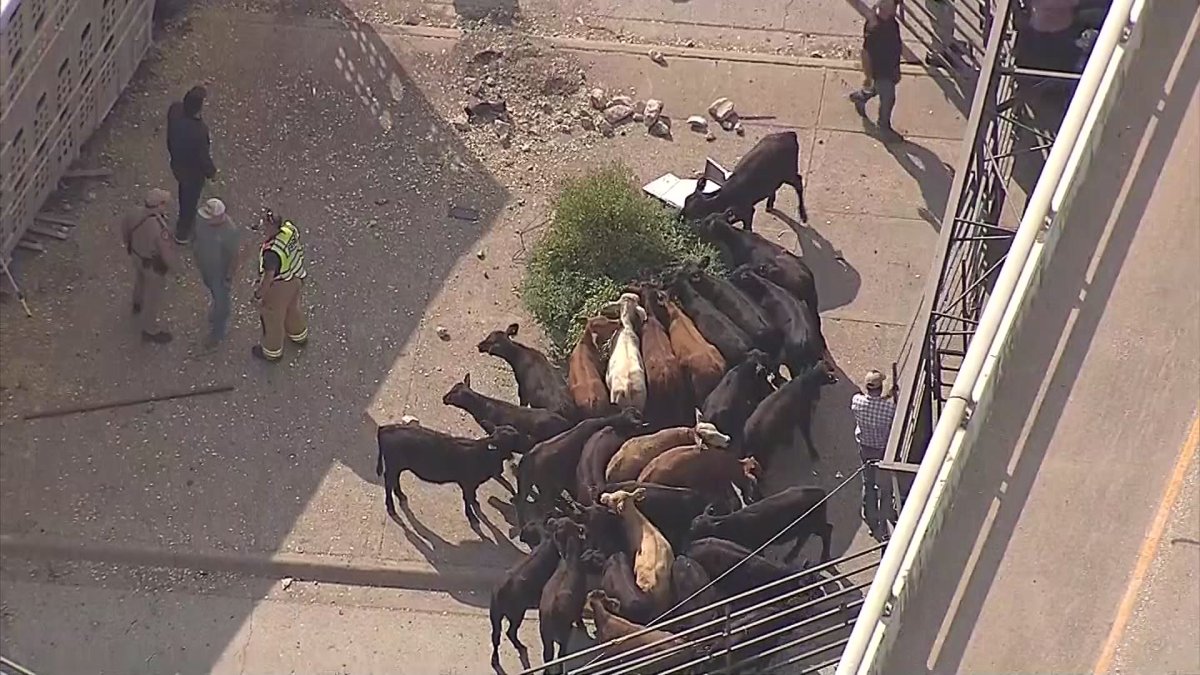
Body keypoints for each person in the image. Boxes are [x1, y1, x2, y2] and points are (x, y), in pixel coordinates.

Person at [120, 188, 179, 344]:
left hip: (136, 256)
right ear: (159, 205)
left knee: (139, 279)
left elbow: (125, 231)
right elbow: (166, 252)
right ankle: (150, 329)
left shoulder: (133, 213)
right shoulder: (159, 228)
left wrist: (130, 246)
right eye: (164, 204)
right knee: (153, 297)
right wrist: (174, 269)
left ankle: (137, 304)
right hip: (152, 265)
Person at [252, 208, 308, 362]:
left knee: (273, 319)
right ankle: (299, 336)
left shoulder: (271, 253)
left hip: (279, 287)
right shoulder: (289, 230)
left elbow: (269, 278)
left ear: (272, 228)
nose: (262, 227)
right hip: (295, 278)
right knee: (292, 309)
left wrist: (259, 294)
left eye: (265, 225)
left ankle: (272, 352)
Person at [193, 198, 246, 351]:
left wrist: (228, 276)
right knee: (214, 294)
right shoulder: (203, 221)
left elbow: (235, 257)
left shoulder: (229, 231)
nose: (205, 219)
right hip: (206, 268)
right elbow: (197, 238)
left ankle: (217, 334)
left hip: (219, 273)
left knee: (222, 303)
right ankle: (215, 309)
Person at [166, 85, 217, 245]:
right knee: (190, 199)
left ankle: (185, 222)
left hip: (178, 164)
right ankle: (183, 231)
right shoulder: (199, 131)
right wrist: (211, 172)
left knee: (184, 192)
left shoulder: (175, 111)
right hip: (193, 172)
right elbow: (203, 157)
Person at [851, 369, 898, 539]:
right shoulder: (889, 408)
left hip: (865, 447)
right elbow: (888, 410)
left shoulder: (857, 402)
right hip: (882, 449)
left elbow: (869, 403)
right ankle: (885, 518)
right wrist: (892, 395)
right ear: (880, 387)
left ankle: (870, 516)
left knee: (868, 482)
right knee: (885, 485)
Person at [850, 0, 905, 142]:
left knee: (875, 89)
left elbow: (896, 46)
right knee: (888, 98)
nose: (895, 7)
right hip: (880, 71)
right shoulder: (874, 27)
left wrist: (896, 68)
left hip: (889, 69)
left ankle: (860, 97)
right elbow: (865, 53)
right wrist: (868, 76)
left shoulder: (892, 22)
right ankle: (883, 127)